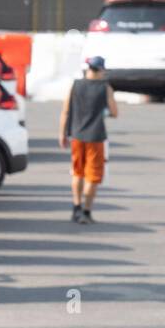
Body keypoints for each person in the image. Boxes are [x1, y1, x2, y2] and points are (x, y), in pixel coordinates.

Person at [59, 55, 118, 224]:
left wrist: (62, 133)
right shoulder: (105, 88)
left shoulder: (75, 85)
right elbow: (115, 112)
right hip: (96, 136)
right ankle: (86, 210)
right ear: (99, 70)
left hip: (76, 134)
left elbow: (65, 111)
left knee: (77, 172)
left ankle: (75, 207)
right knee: (92, 175)